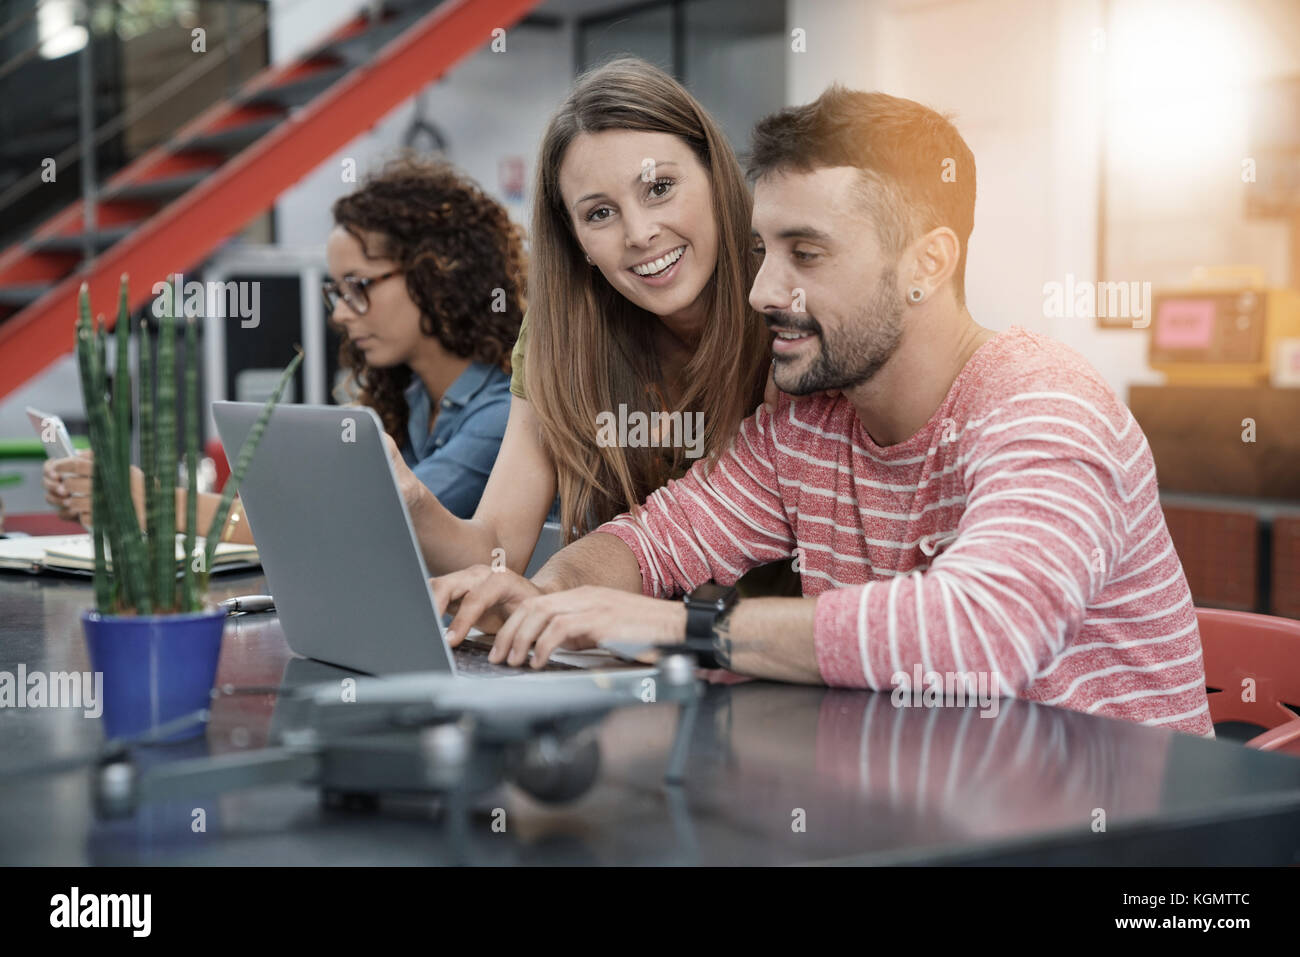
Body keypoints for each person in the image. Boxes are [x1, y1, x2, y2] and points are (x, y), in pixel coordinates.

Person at [431, 87, 1214, 739]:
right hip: (937, 811)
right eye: (763, 250)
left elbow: (979, 632)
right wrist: (557, 594)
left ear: (926, 263)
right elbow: (656, 539)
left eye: (806, 255)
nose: (762, 291)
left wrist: (678, 627)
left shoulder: (1044, 406)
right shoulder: (807, 425)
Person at [382, 58, 784, 589]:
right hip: (623, 648)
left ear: (714, 174)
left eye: (659, 187)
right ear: (575, 240)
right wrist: (410, 497)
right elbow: (496, 554)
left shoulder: (790, 301)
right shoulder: (563, 335)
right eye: (600, 213)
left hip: (782, 649)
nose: (639, 233)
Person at [43, 156, 524, 536]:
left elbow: (350, 529)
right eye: (337, 292)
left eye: (358, 286)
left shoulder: (501, 415)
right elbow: (321, 509)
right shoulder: (414, 401)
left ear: (436, 274)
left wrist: (154, 503)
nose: (338, 312)